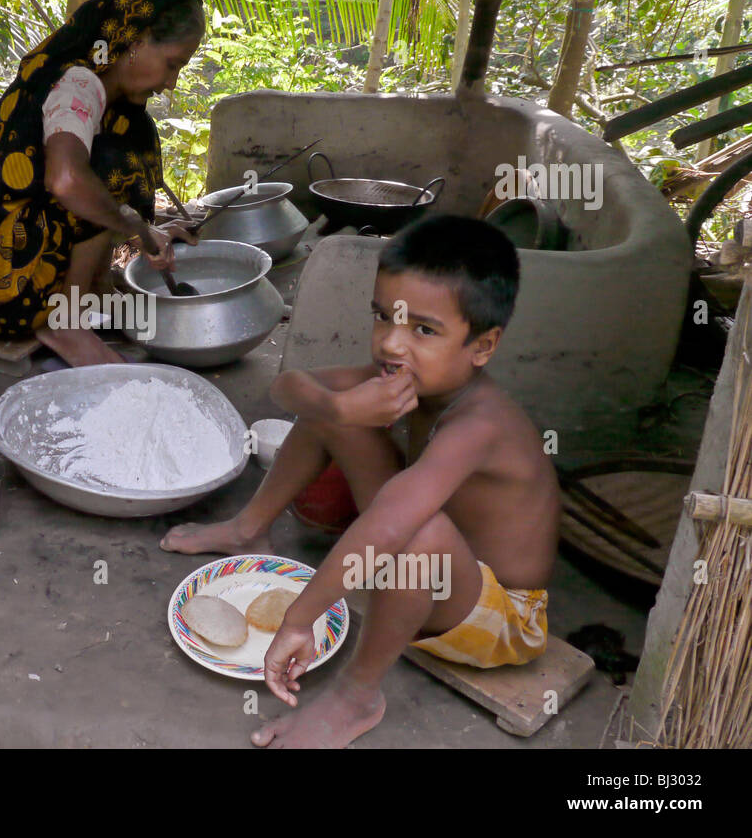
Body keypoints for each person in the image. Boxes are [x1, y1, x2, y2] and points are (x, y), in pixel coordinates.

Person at [168, 214, 560, 747]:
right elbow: (287, 389)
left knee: (415, 532)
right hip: (440, 559)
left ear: (483, 346)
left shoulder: (481, 423)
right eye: (384, 318)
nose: (393, 345)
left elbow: (396, 521)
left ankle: (356, 697)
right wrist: (336, 404)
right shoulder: (411, 378)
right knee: (338, 417)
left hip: (500, 617)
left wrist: (300, 618)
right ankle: (247, 529)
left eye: (423, 329)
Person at [0, 0, 204, 366]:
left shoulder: (108, 99)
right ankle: (68, 323)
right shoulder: (77, 84)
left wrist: (151, 225)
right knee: (105, 169)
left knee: (119, 155)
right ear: (134, 42)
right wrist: (135, 228)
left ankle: (93, 289)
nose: (171, 83)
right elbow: (66, 181)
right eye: (172, 64)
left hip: (12, 263)